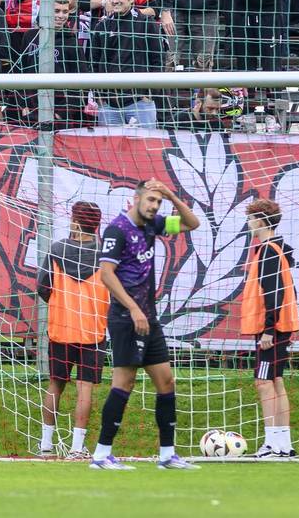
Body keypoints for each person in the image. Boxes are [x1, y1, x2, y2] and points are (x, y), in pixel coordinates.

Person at [89, 179, 201, 470]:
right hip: (126, 318)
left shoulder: (154, 224)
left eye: (158, 202)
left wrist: (171, 195)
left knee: (166, 381)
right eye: (150, 200)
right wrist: (134, 308)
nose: (154, 206)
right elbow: (106, 274)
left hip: (148, 318)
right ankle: (101, 455)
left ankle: (167, 455)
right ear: (136, 199)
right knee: (124, 382)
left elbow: (192, 223)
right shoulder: (117, 229)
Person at [36, 201, 107, 460]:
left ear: (75, 221)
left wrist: (61, 304)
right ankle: (77, 448)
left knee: (55, 385)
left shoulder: (57, 250)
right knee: (84, 389)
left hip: (61, 329)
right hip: (93, 331)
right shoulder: (105, 254)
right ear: (96, 224)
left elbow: (43, 287)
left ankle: (46, 445)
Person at [241, 199, 299, 459]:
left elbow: (273, 292)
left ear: (261, 221)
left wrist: (268, 329)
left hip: (271, 328)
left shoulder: (268, 250)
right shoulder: (277, 249)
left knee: (263, 382)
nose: (249, 223)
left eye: (251, 218)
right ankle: (284, 444)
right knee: (276, 381)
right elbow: (289, 290)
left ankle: (273, 445)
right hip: (279, 326)